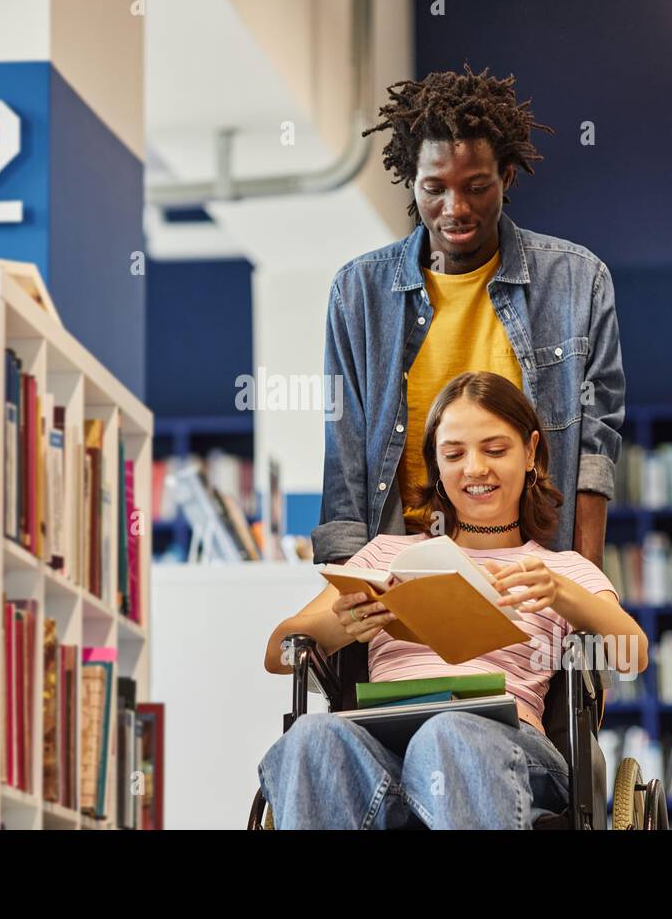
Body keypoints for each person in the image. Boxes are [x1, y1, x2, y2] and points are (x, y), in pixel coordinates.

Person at [261, 371, 648, 829]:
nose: (475, 469)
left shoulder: (562, 570)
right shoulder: (387, 554)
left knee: (447, 733)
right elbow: (280, 653)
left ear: (530, 452)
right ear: (437, 467)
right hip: (380, 743)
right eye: (454, 454)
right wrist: (343, 624)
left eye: (495, 450)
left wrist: (560, 593)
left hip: (507, 747)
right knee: (311, 737)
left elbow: (633, 655)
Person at [314, 64, 625, 570]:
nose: (454, 208)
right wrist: (352, 605)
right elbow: (344, 458)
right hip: (404, 570)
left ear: (505, 177)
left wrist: (586, 585)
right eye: (434, 188)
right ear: (410, 182)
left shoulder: (576, 281)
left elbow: (594, 450)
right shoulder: (359, 293)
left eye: (476, 186)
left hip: (531, 570)